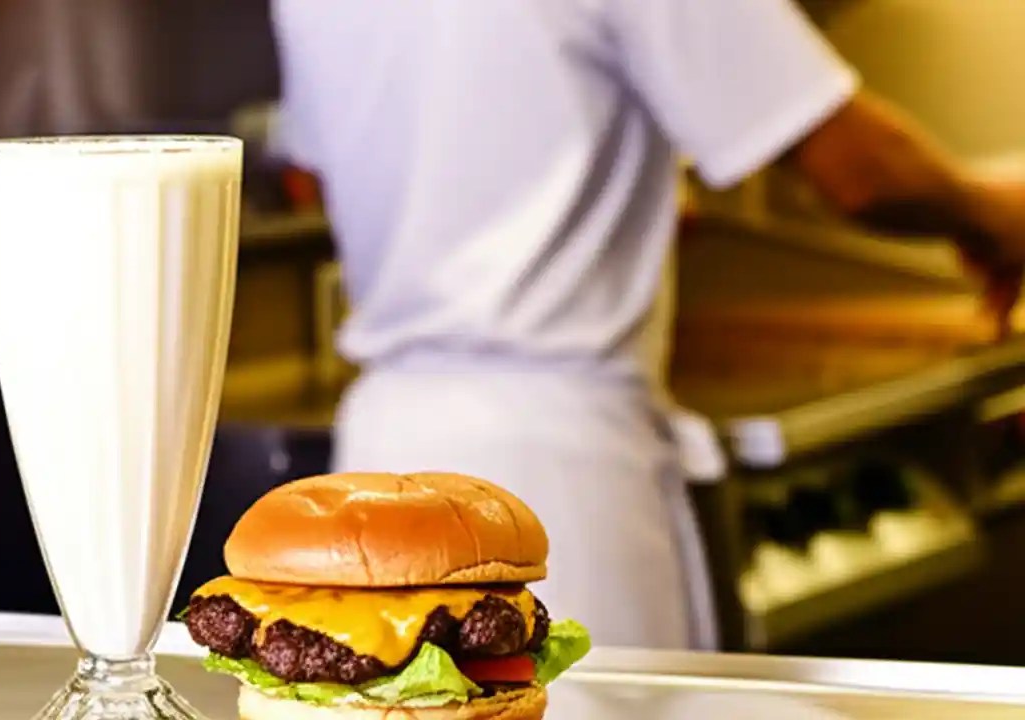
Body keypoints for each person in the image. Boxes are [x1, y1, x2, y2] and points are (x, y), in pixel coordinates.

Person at [267, 0, 1025, 651]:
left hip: (382, 460)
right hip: (559, 479)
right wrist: (994, 214)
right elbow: (858, 168)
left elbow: (316, 175)